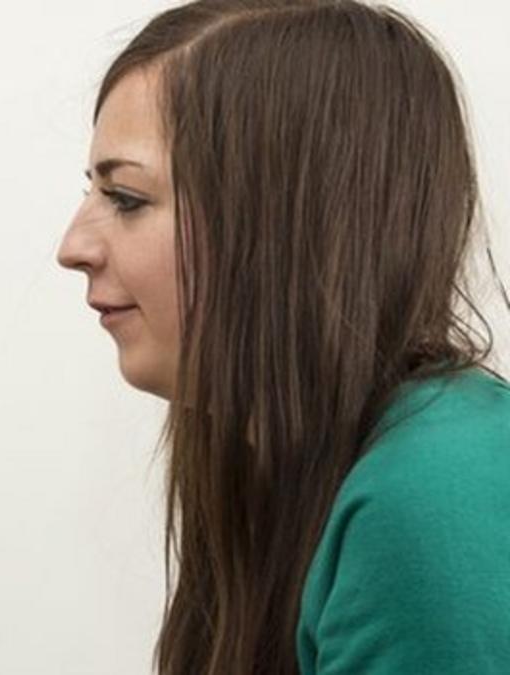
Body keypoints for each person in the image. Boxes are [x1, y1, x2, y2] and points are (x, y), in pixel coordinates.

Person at [56, 1, 510, 674]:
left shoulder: (432, 492)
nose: (73, 246)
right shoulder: (284, 462)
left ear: (286, 225)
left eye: (126, 198)